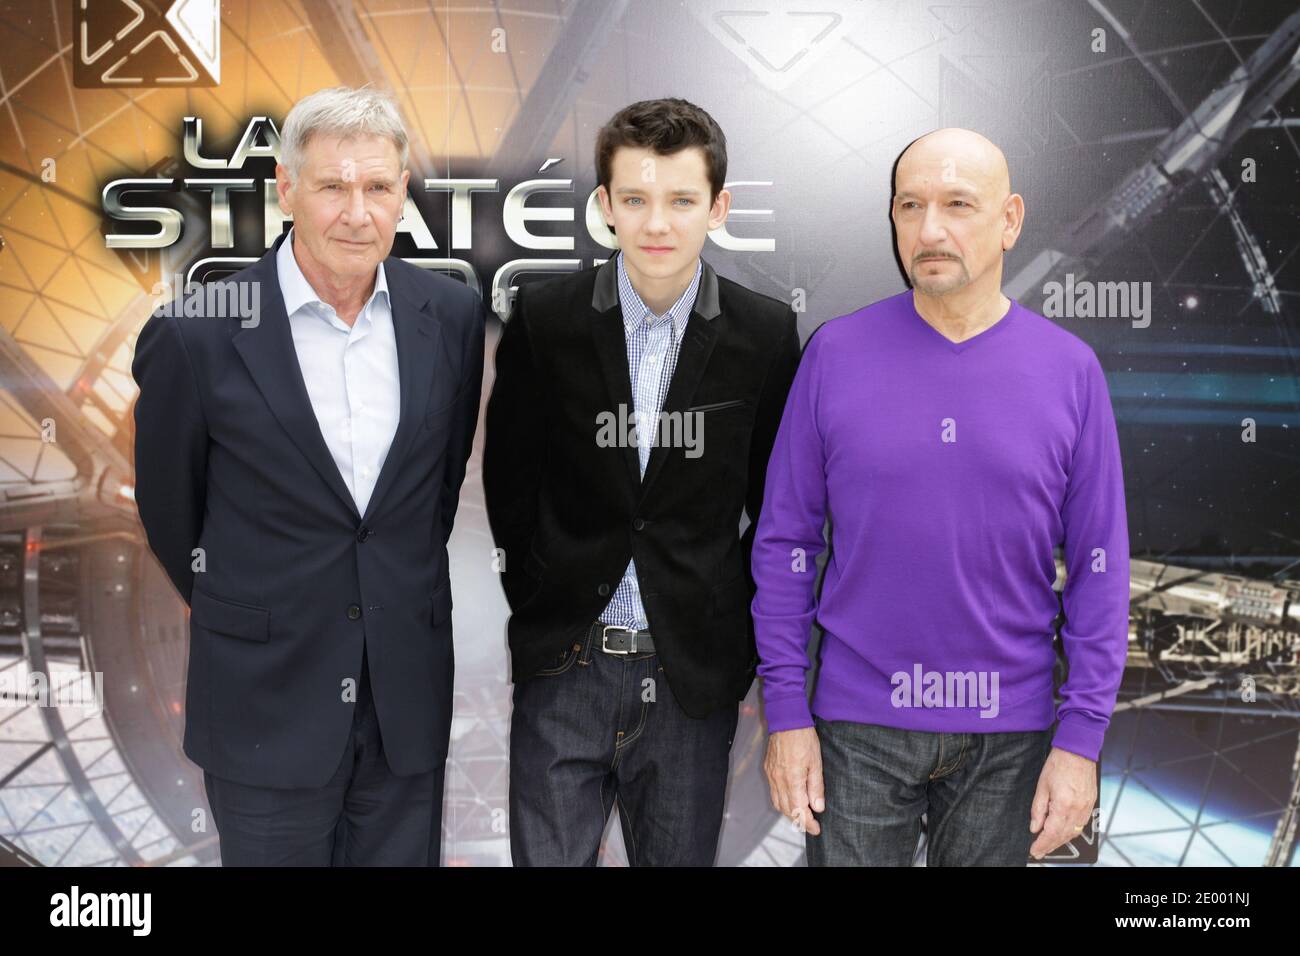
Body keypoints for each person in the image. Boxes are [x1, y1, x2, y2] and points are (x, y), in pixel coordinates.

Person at [752, 127, 1129, 865]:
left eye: (959, 204)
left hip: (1010, 738)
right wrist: (787, 713)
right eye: (910, 205)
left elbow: (1100, 567)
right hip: (854, 734)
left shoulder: (1070, 371)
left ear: (1011, 219)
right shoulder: (834, 353)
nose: (930, 229)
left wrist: (1080, 742)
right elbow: (784, 544)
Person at [131, 86, 485, 866]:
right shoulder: (197, 333)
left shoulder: (452, 318)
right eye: (332, 186)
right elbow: (171, 512)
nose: (357, 212)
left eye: (378, 187)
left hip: (405, 710)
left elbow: (432, 492)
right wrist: (257, 604)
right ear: (287, 189)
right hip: (266, 703)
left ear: (401, 194)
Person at [484, 97, 801, 866]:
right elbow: (510, 481)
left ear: (717, 208)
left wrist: (725, 620)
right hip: (567, 664)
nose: (658, 224)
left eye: (682, 201)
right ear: (605, 207)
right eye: (635, 200)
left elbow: (778, 503)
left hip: (690, 675)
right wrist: (546, 598)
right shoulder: (547, 316)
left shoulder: (763, 333)